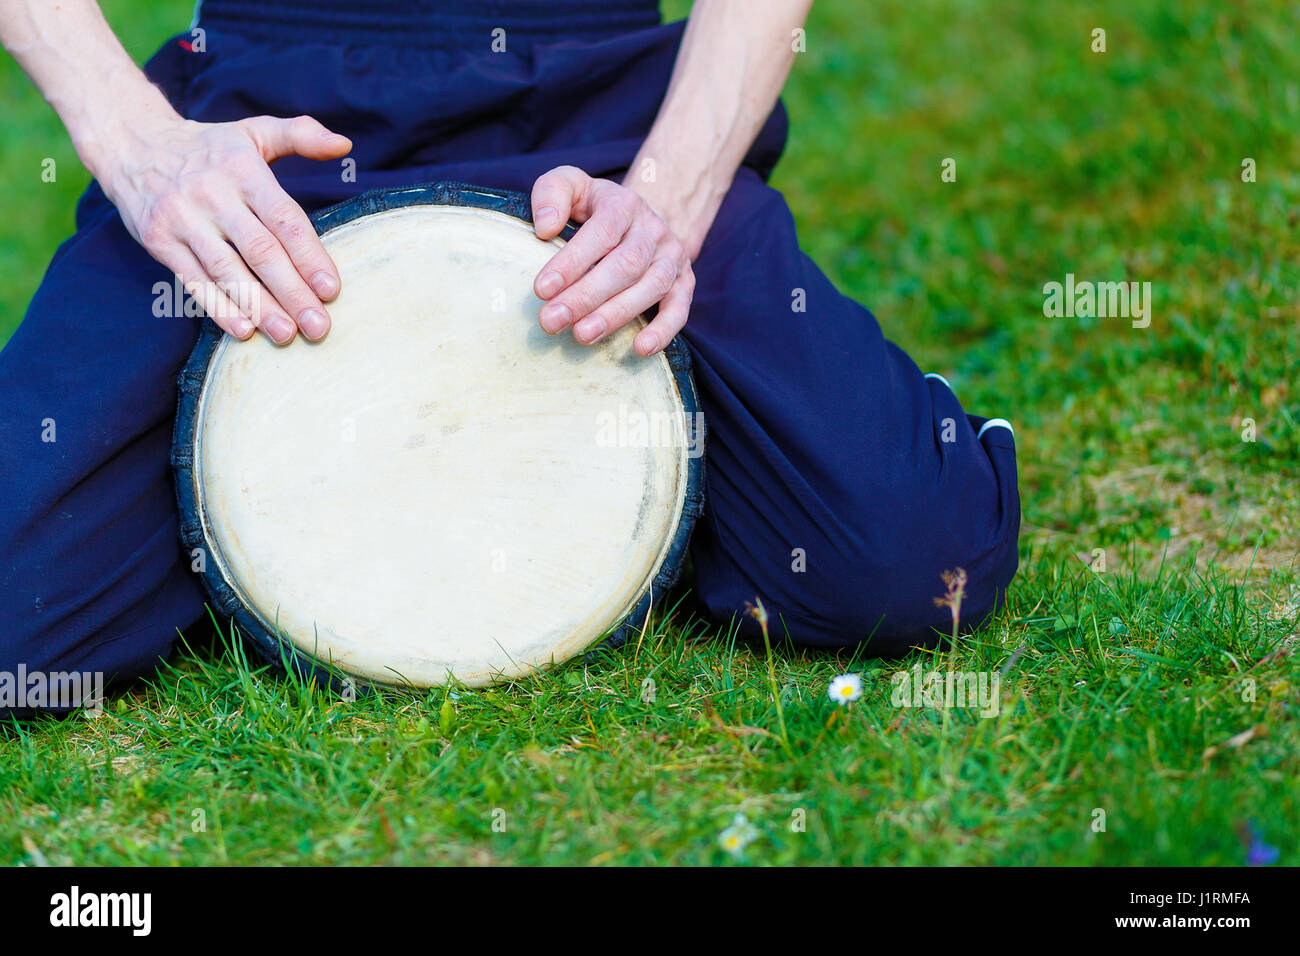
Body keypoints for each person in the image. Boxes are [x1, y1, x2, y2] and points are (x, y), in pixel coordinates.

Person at [0, 0, 1020, 692]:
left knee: (907, 564)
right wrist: (139, 144)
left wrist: (672, 192)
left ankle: (661, 480)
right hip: (267, 129)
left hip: (607, 112)